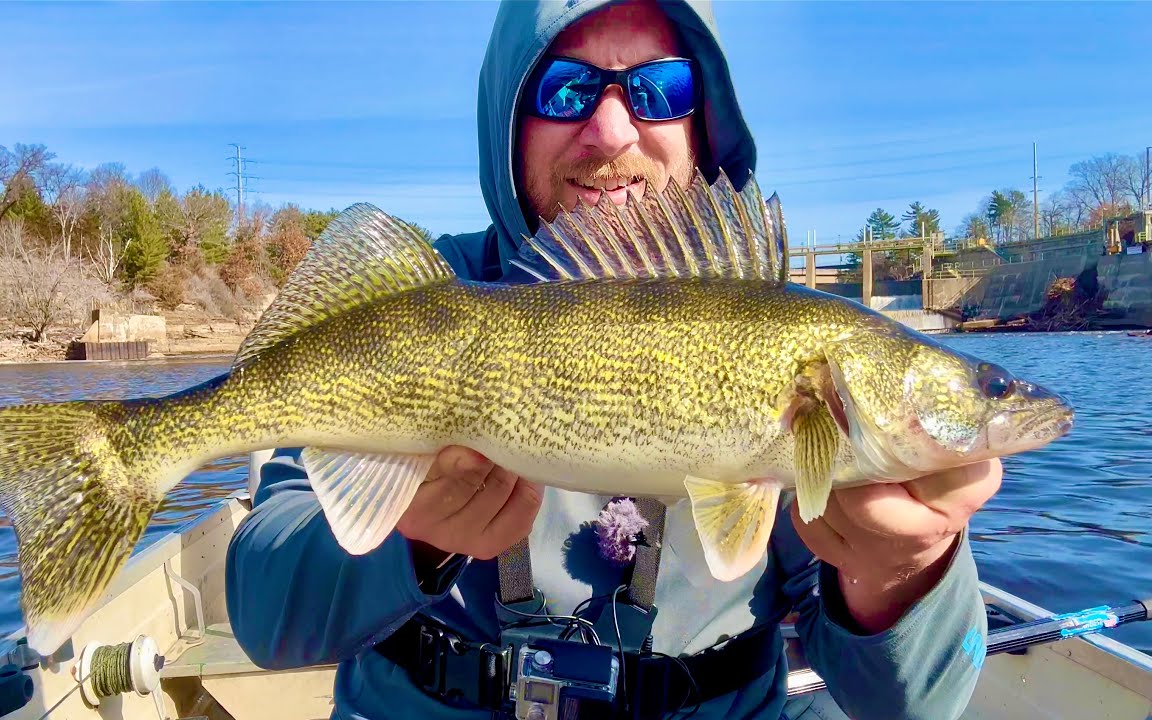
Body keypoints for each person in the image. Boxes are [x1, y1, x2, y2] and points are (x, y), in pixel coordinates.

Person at [225, 1, 1001, 718]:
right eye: (565, 90)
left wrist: (903, 574)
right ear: (508, 118)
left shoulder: (793, 338)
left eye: (660, 89)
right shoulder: (422, 305)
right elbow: (266, 616)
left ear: (707, 122)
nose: (612, 132)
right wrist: (413, 538)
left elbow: (916, 705)